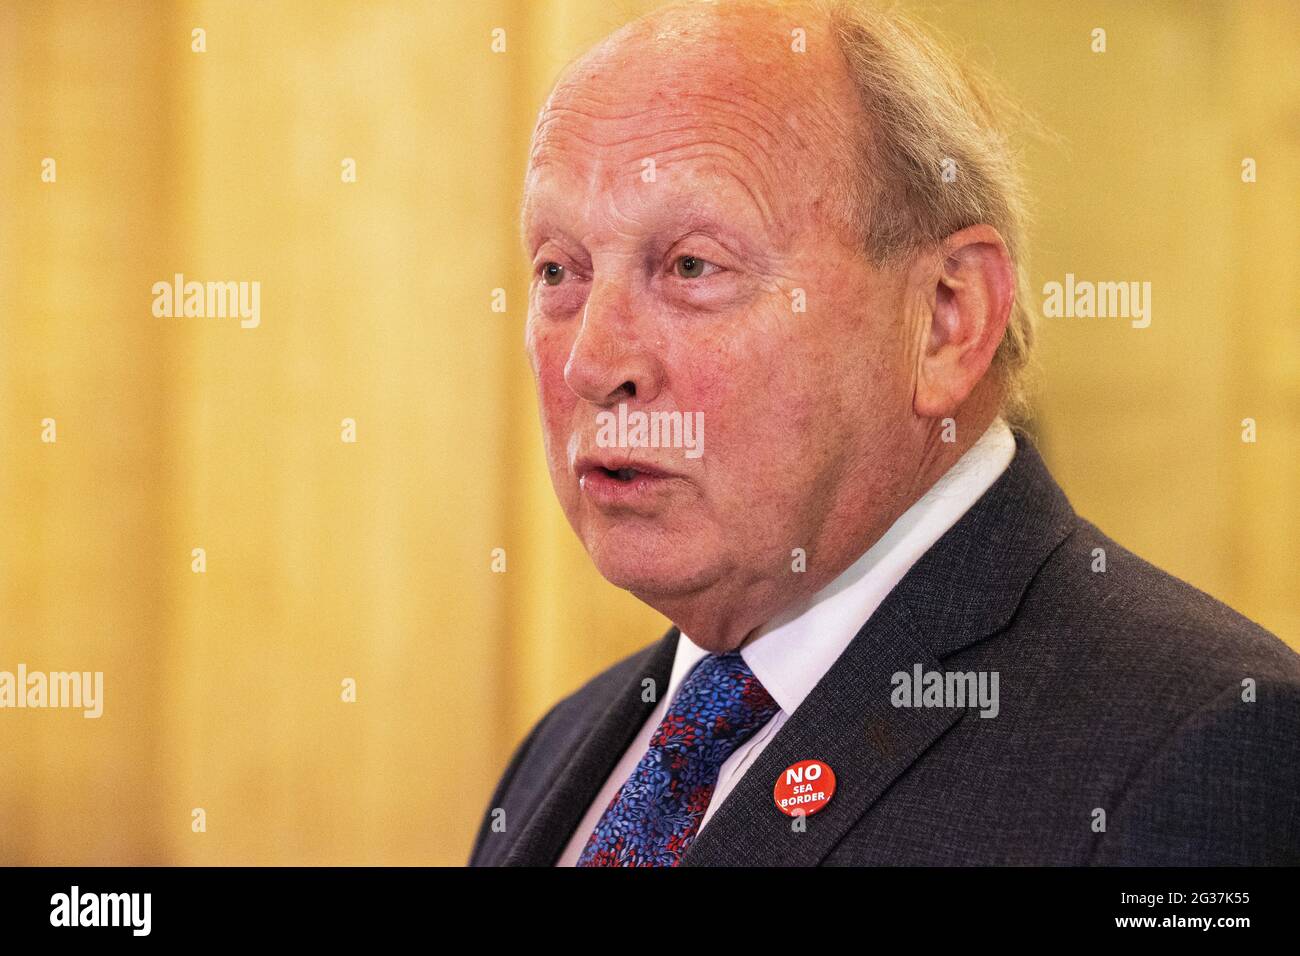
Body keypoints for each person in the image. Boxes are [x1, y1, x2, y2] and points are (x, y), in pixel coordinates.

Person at [470, 0, 1300, 866]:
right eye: (558, 270)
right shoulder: (557, 756)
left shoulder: (1202, 748)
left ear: (946, 319)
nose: (591, 363)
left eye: (691, 266)